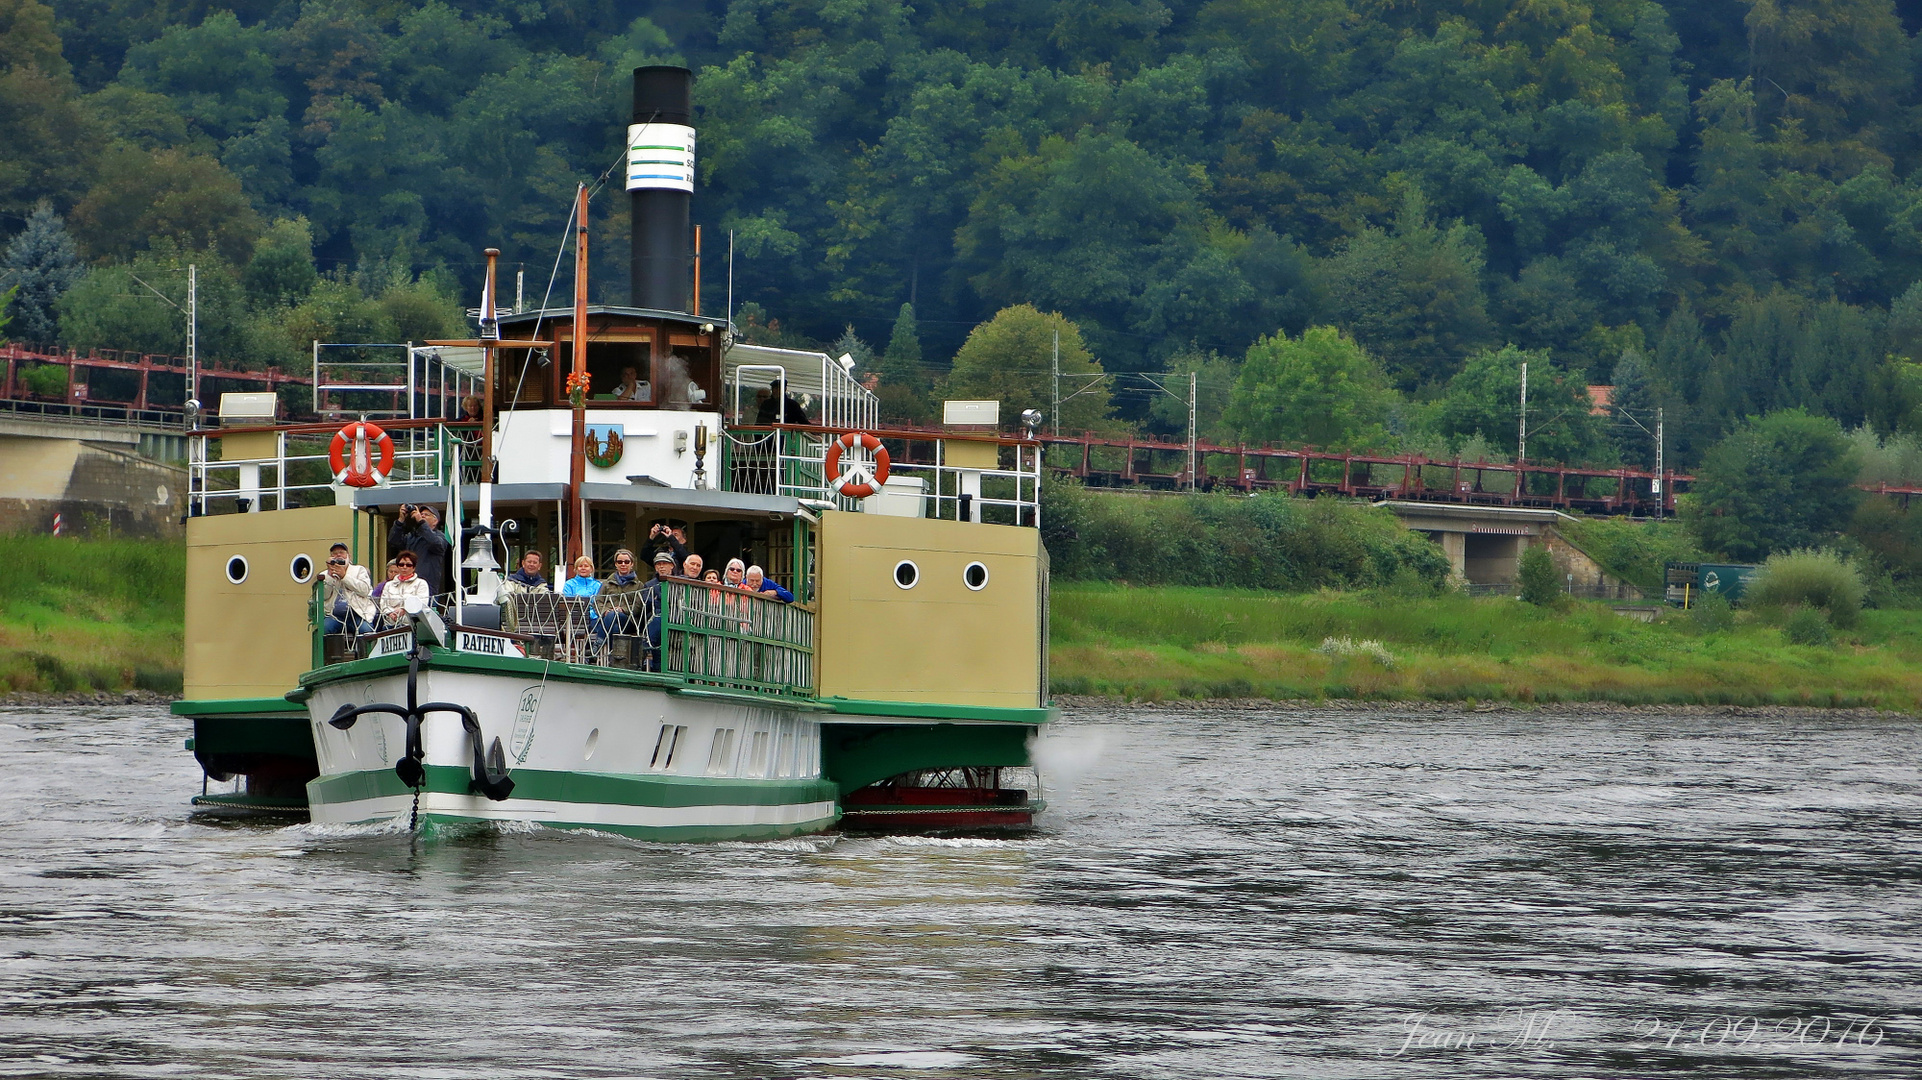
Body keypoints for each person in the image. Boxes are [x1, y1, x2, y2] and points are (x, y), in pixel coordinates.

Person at [388, 504, 452, 596]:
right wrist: (400, 520)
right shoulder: (412, 536)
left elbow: (436, 544)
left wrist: (421, 522)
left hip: (427, 588)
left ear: (435, 521)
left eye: (426, 514)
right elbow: (394, 541)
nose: (422, 515)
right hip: (407, 587)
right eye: (421, 514)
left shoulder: (440, 537)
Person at [320, 543, 374, 635]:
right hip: (334, 616)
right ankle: (330, 650)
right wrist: (330, 575)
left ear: (348, 556)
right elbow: (324, 596)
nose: (338, 555)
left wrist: (344, 576)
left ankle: (363, 650)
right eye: (334, 553)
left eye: (341, 552)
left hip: (358, 614)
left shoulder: (359, 570)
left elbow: (365, 591)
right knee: (324, 629)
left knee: (367, 631)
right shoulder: (324, 575)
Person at [376, 552, 431, 627]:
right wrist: (390, 613)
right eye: (401, 564)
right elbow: (383, 603)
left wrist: (403, 610)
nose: (404, 567)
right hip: (390, 625)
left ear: (414, 567)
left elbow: (422, 603)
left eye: (408, 565)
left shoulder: (421, 583)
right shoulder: (389, 585)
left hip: (411, 625)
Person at [599, 549, 646, 636]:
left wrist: (622, 609)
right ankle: (614, 649)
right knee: (615, 627)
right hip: (608, 618)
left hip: (629, 620)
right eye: (620, 562)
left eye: (627, 562)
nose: (623, 564)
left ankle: (599, 641)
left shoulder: (639, 585)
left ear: (632, 564)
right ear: (616, 564)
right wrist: (605, 611)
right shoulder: (606, 583)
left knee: (614, 614)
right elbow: (598, 601)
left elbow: (638, 607)